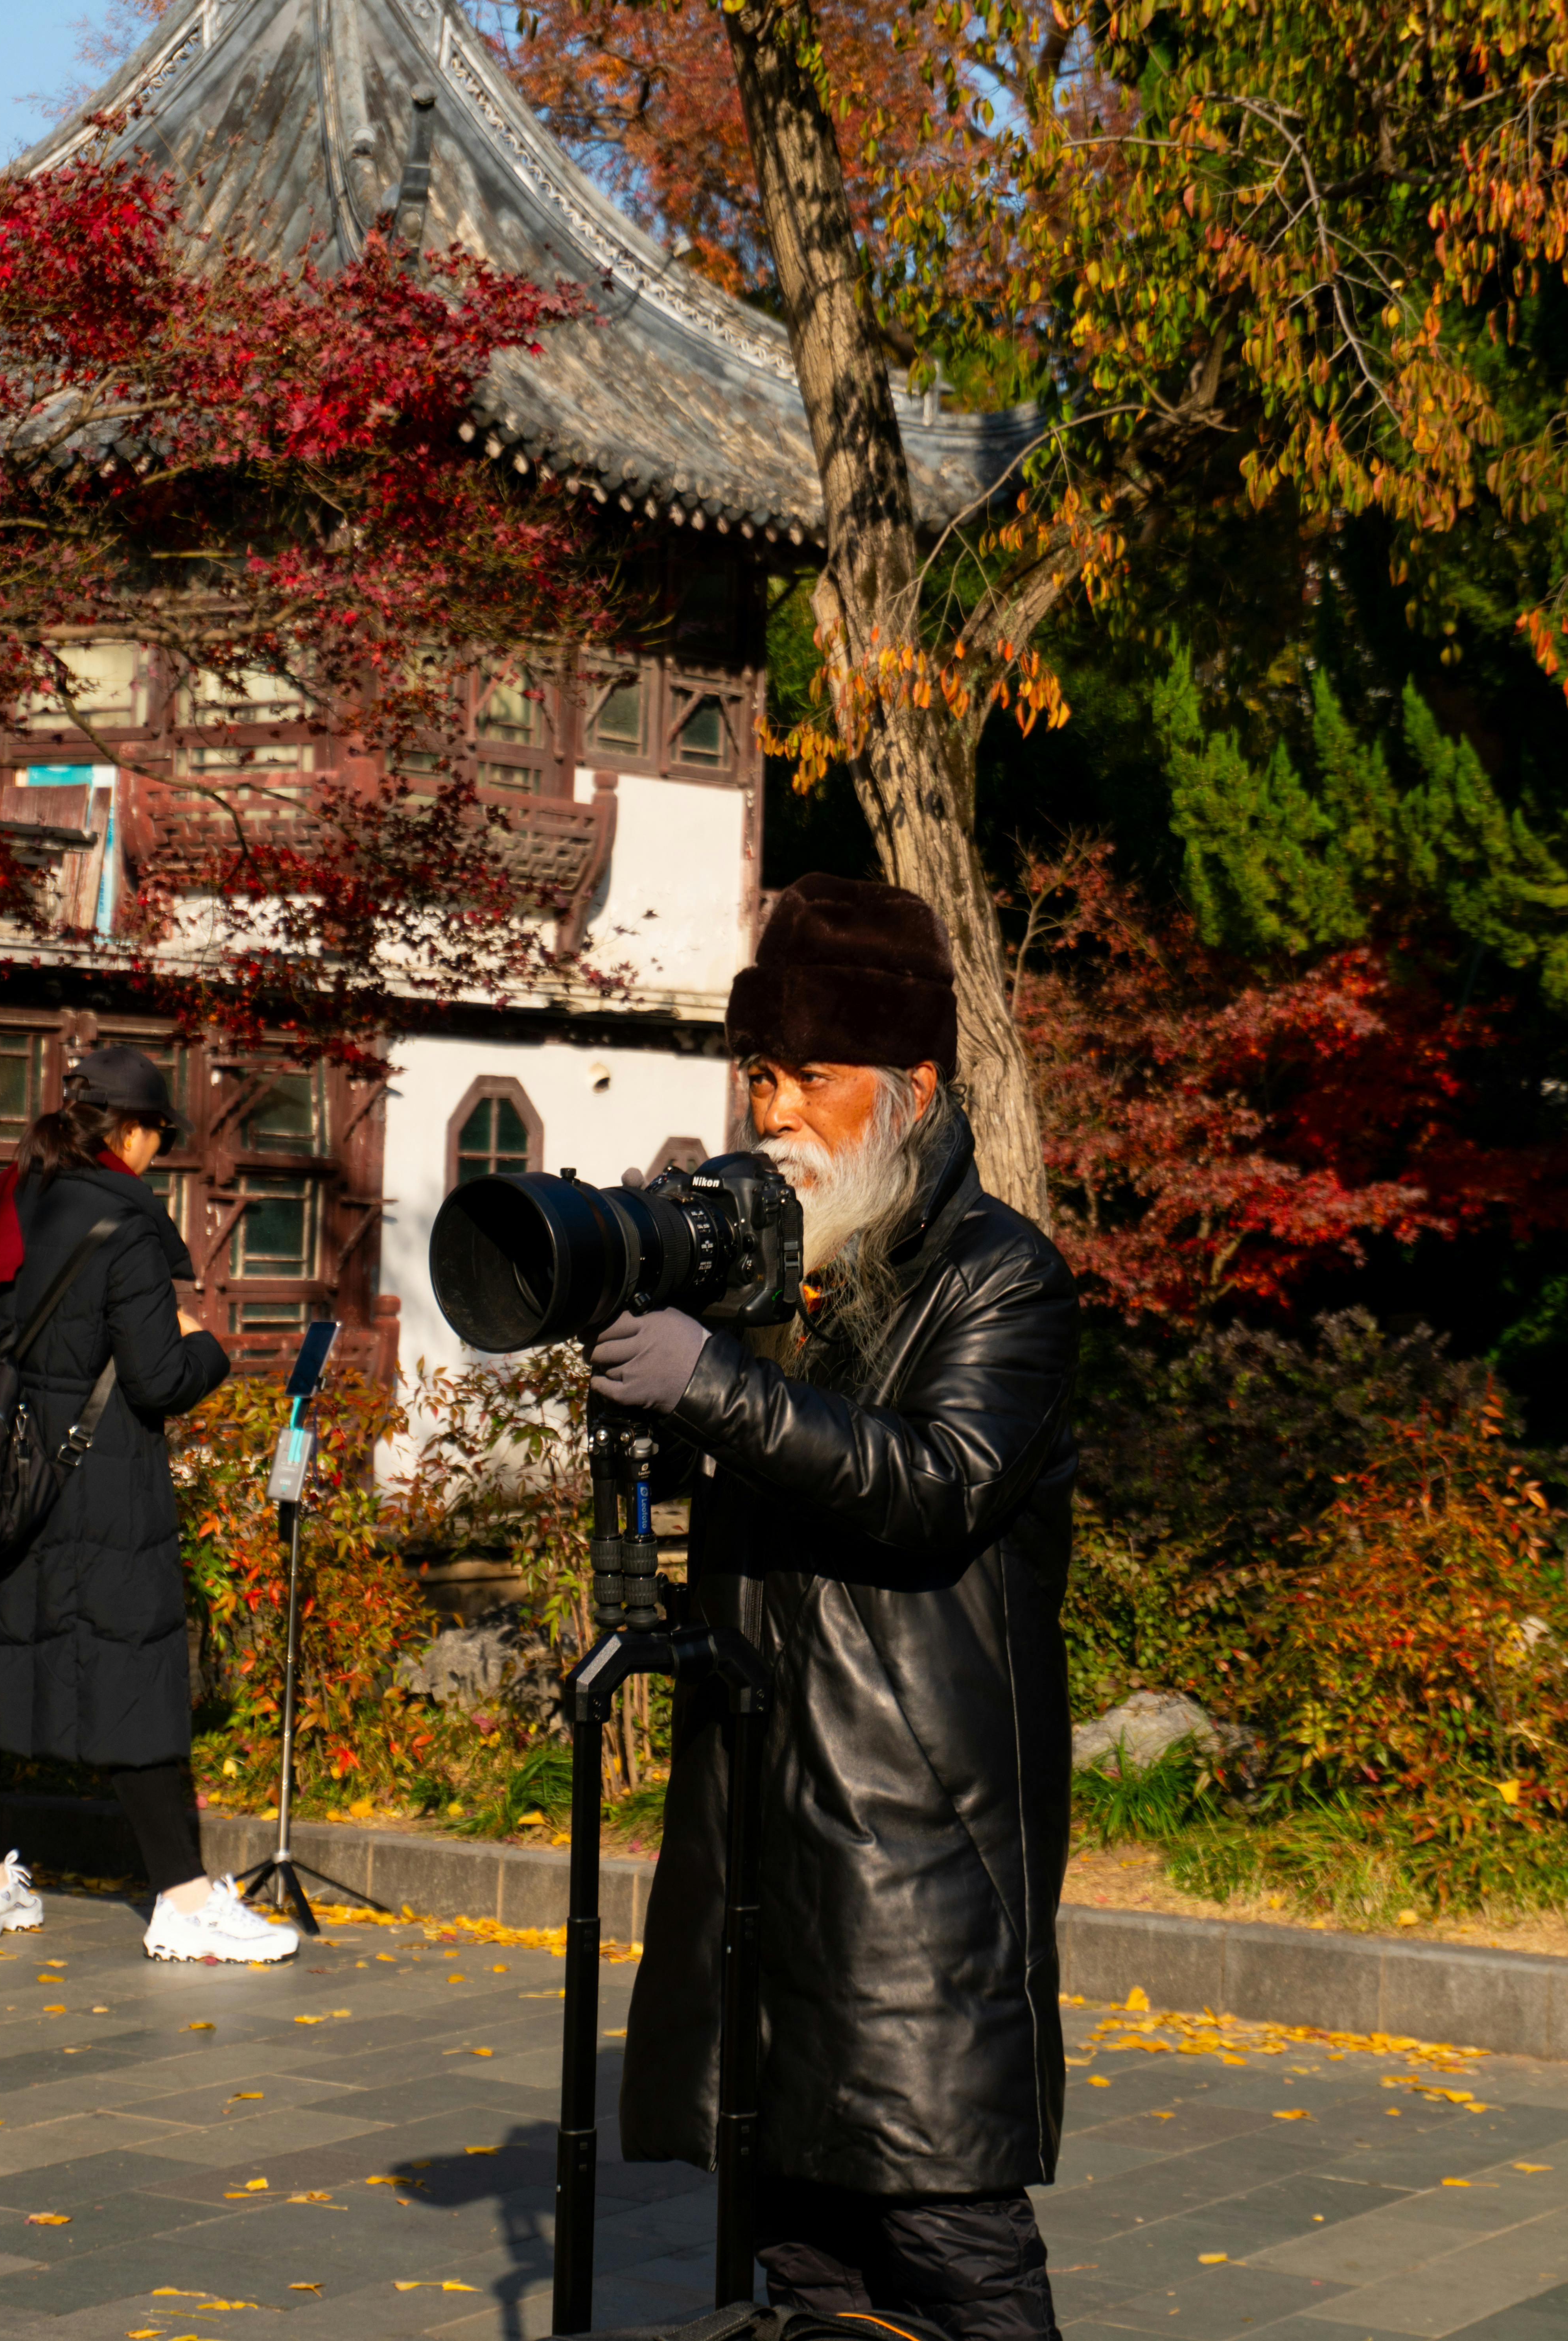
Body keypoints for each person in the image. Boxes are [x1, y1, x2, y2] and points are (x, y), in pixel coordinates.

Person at [589, 874, 1079, 2341]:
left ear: (914, 1088)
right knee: (798, 2247)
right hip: (764, 1811)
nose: (776, 1113)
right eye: (762, 1077)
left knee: (950, 2237)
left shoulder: (1004, 1277)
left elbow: (937, 1482)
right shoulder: (787, 1271)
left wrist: (714, 1384)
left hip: (914, 1832)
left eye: (815, 1078)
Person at [0, 1046, 299, 1963]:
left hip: (12, 1479)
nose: (159, 1154)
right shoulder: (121, 1229)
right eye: (159, 1136)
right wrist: (206, 1345)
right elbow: (158, 1380)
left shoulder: (17, 1200)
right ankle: (185, 1901)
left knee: (7, 1662)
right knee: (138, 1684)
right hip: (100, 1488)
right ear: (130, 1132)